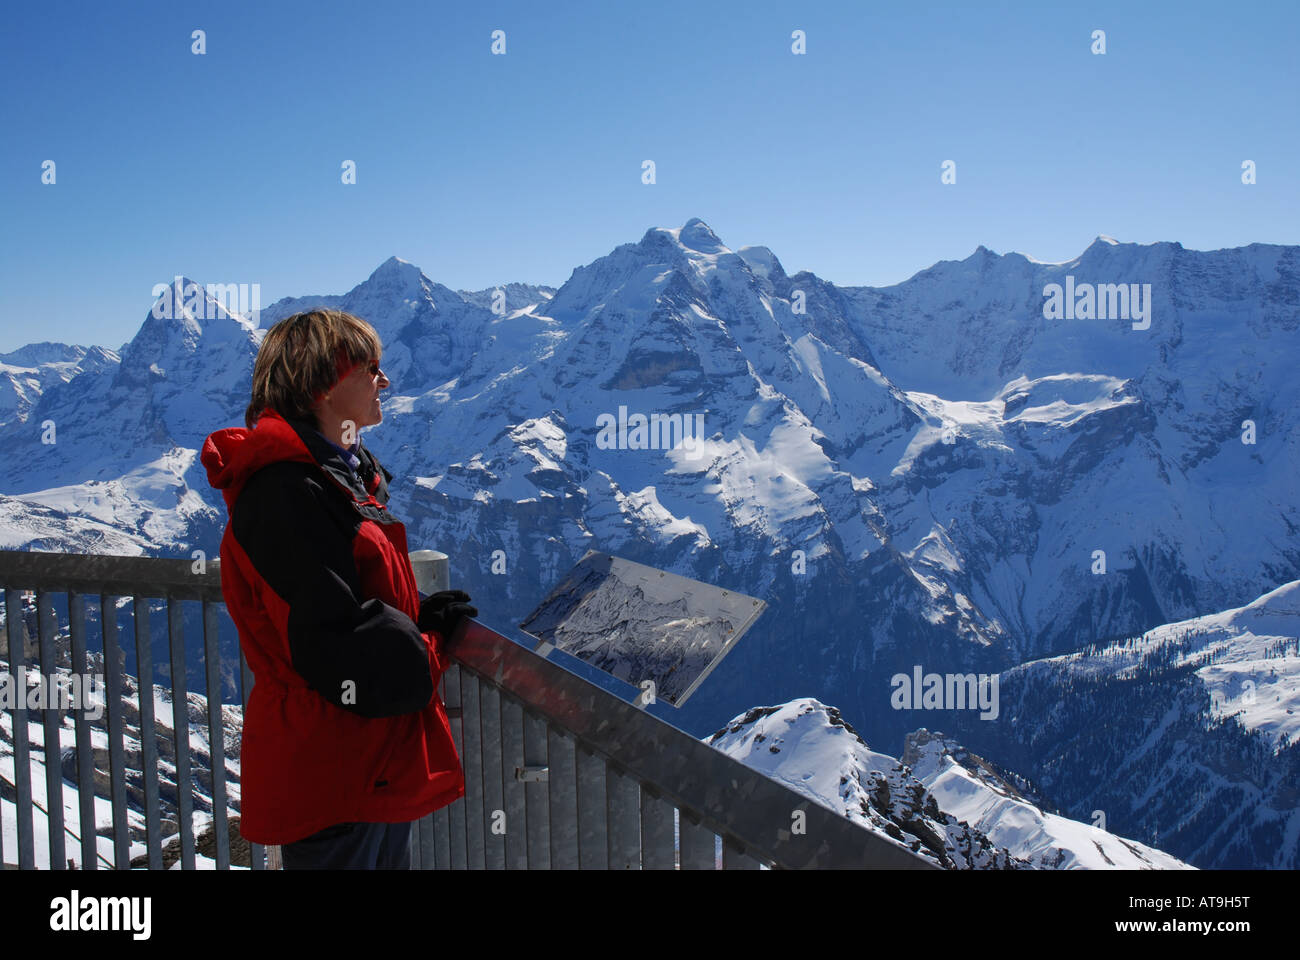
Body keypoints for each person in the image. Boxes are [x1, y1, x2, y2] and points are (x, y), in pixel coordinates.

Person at [200, 308, 476, 869]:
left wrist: (417, 617)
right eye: (371, 367)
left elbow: (338, 603)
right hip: (331, 770)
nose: (386, 380)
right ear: (322, 383)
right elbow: (341, 649)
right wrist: (427, 647)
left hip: (359, 765)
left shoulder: (326, 477)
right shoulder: (286, 495)